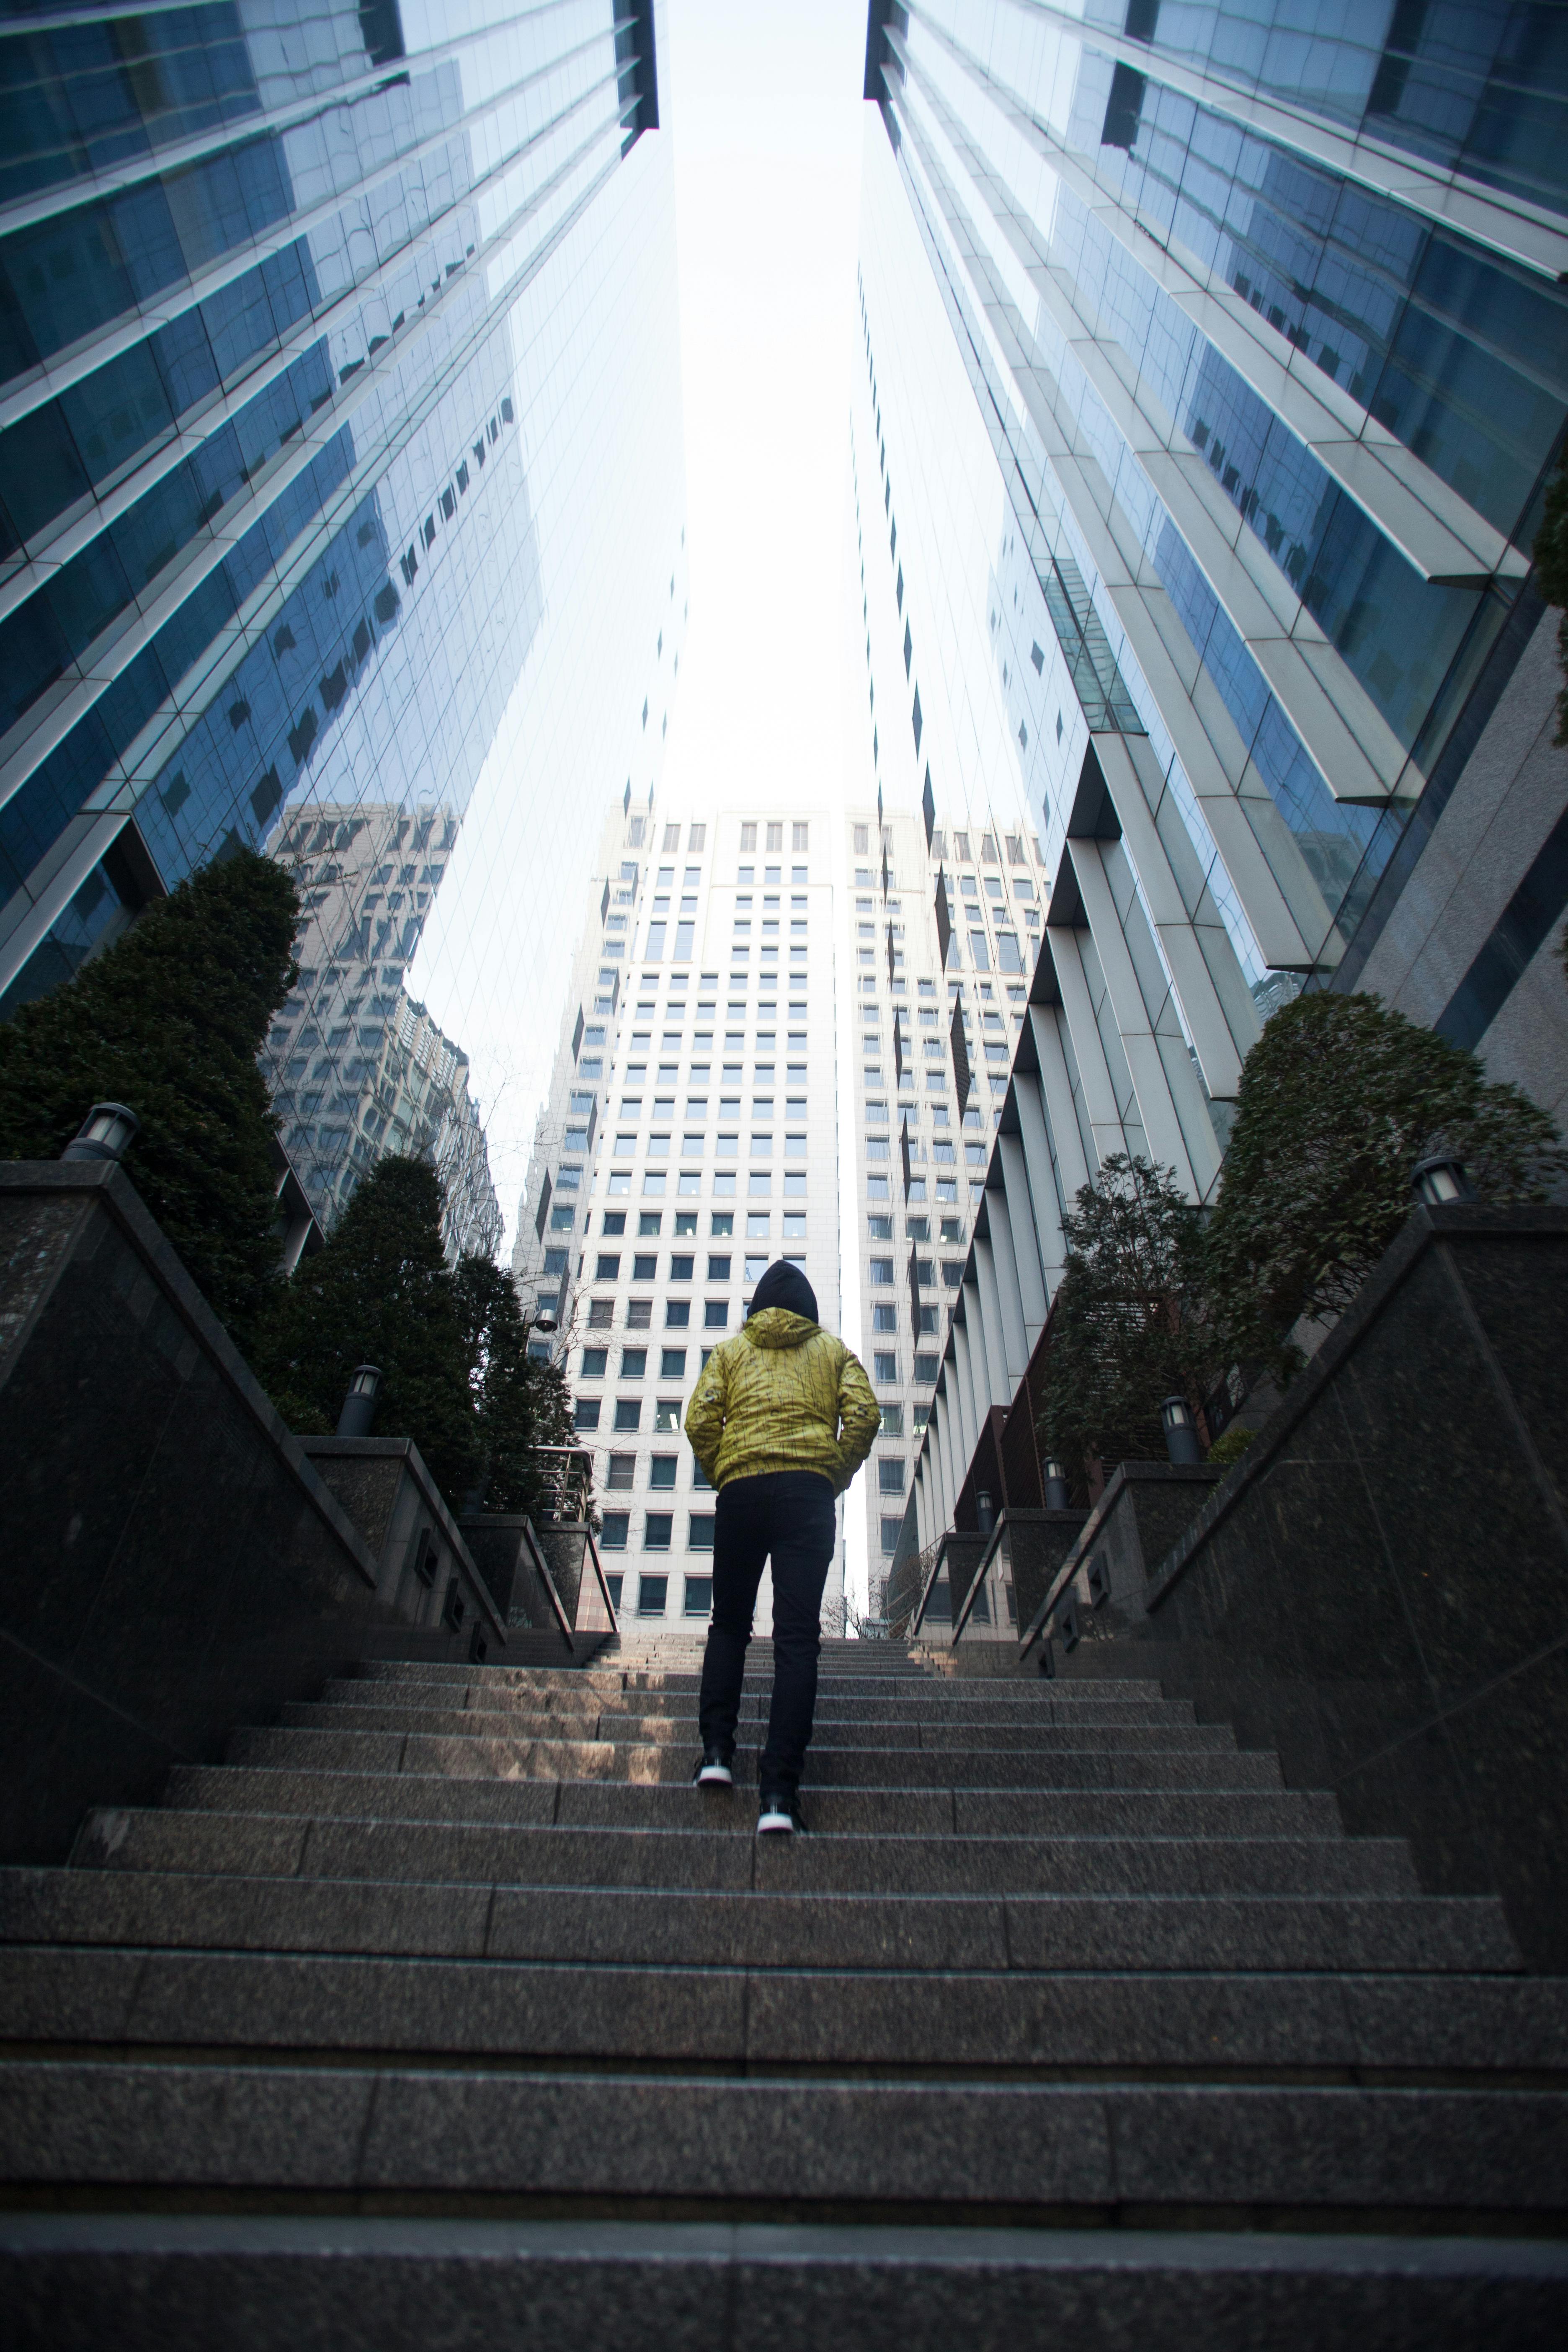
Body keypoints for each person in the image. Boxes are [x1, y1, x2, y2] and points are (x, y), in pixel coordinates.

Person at [683, 1259, 880, 1833]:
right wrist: (833, 1473)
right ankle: (778, 1794)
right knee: (797, 1640)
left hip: (741, 1494)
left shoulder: (731, 1351)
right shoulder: (832, 1351)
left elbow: (699, 1420)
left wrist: (725, 1469)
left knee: (729, 1625)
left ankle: (717, 1753)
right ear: (809, 1311)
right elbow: (865, 1415)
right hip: (806, 1496)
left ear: (757, 1308)